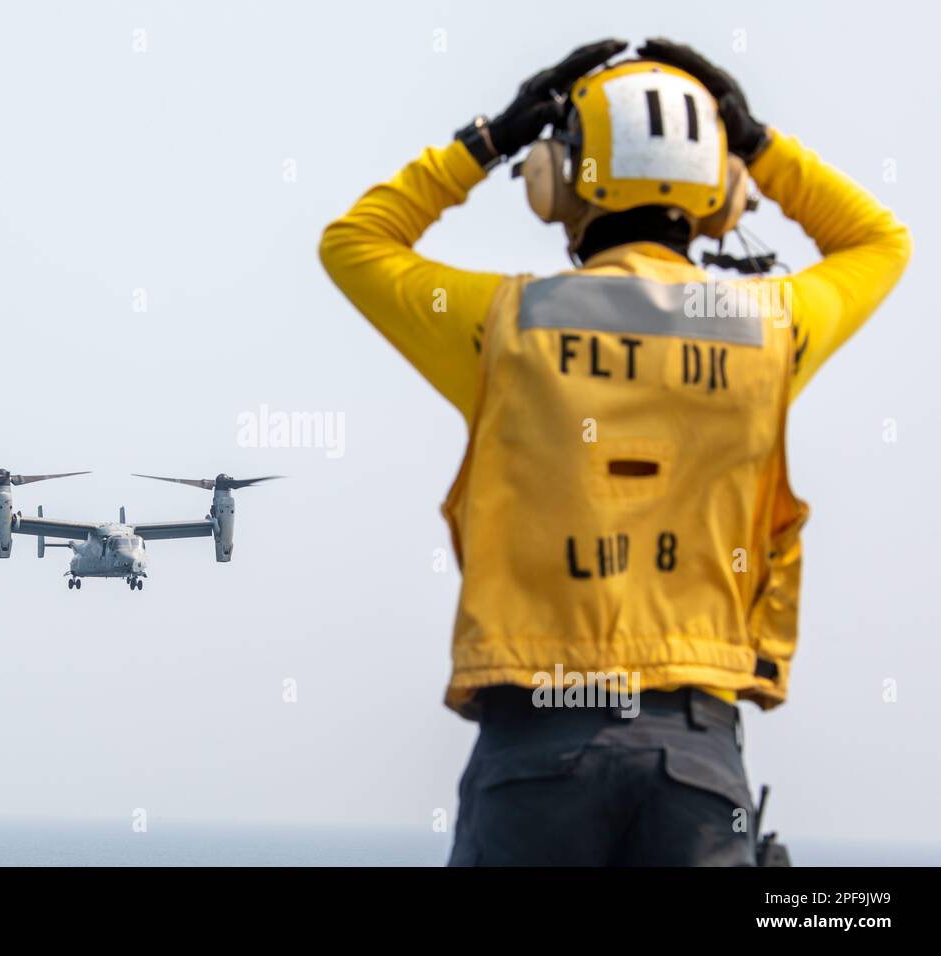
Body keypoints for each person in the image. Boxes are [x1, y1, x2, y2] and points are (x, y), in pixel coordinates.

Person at [319, 38, 911, 865]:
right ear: (726, 192)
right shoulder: (769, 328)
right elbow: (880, 244)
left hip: (533, 742)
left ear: (554, 184)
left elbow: (355, 243)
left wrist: (485, 140)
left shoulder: (504, 326)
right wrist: (763, 144)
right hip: (697, 751)